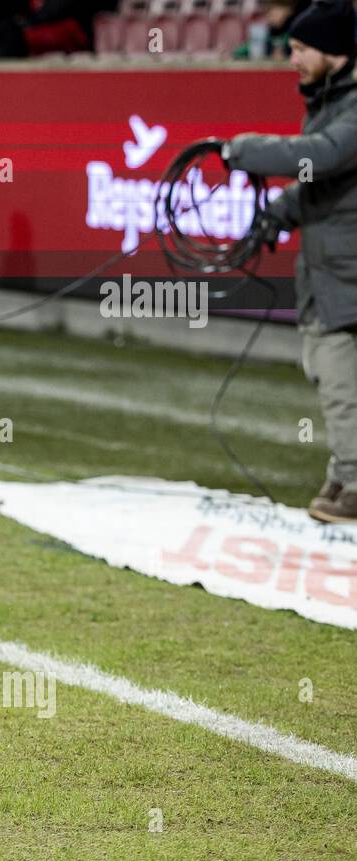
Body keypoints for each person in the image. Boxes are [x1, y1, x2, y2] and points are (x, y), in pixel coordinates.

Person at [223, 0, 357, 523]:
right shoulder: (330, 100)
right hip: (333, 270)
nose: (292, 59)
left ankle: (352, 482)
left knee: (337, 374)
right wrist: (276, 213)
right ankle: (345, 473)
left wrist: (244, 150)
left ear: (334, 49)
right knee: (330, 372)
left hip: (345, 273)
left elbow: (320, 155)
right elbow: (322, 183)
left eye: (301, 48)